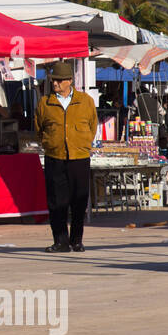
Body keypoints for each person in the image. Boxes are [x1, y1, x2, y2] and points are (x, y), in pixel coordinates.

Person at [34, 61, 98, 252]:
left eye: (60, 81)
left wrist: (83, 142)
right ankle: (60, 240)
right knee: (56, 202)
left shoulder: (85, 101)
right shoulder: (45, 102)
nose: (56, 84)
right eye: (54, 80)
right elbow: (39, 128)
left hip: (79, 156)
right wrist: (49, 143)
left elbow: (92, 126)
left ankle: (76, 240)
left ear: (70, 81)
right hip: (55, 156)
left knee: (79, 200)